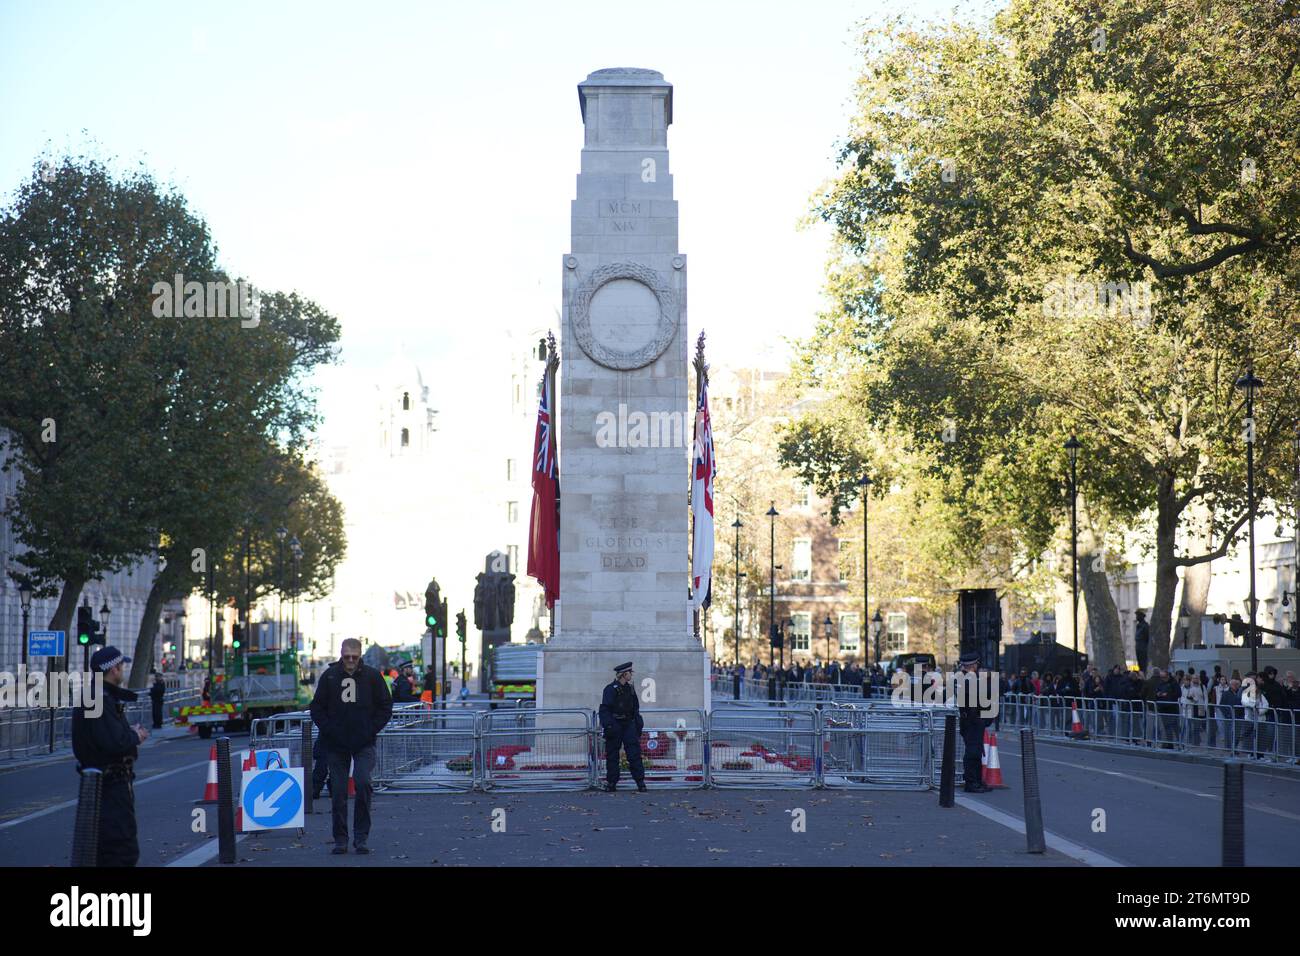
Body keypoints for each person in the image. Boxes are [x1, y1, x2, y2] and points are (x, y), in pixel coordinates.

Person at [309, 637, 393, 855]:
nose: (350, 661)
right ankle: (341, 839)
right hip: (336, 744)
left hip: (363, 742)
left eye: (354, 657)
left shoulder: (372, 677)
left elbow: (385, 705)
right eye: (346, 657)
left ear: (360, 656)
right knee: (338, 792)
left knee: (363, 783)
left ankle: (361, 837)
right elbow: (316, 707)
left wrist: (370, 729)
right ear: (341, 654)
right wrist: (329, 729)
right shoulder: (330, 676)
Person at [72, 646, 149, 866]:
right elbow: (113, 742)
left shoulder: (96, 696)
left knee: (103, 849)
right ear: (114, 669)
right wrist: (134, 737)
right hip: (110, 785)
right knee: (120, 849)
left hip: (101, 784)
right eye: (121, 666)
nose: (123, 671)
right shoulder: (99, 699)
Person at [598, 661, 645, 792]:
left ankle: (640, 782)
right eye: (630, 673)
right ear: (624, 674)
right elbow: (605, 709)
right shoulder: (610, 689)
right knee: (613, 755)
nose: (631, 675)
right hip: (615, 725)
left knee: (634, 754)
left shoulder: (630, 689)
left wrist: (637, 724)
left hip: (628, 725)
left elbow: (635, 708)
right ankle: (612, 783)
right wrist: (609, 726)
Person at [956, 651, 991, 793]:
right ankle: (971, 782)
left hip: (973, 719)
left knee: (976, 751)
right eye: (976, 664)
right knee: (973, 752)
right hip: (972, 720)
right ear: (973, 665)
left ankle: (976, 780)